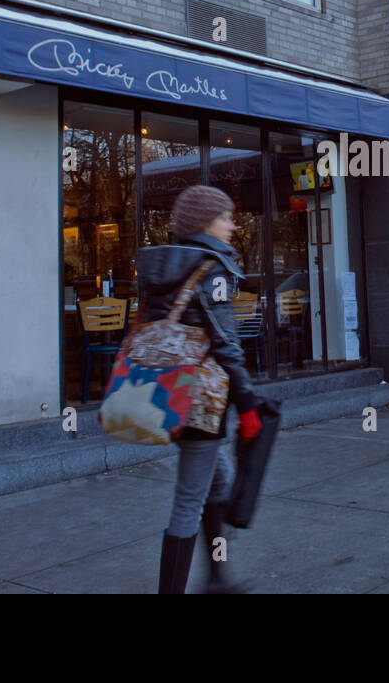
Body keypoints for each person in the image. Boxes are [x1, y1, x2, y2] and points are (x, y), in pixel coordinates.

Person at [135, 185, 262, 594]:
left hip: (166, 391)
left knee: (218, 480)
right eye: (226, 216)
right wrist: (247, 402)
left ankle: (219, 575)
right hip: (202, 398)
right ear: (207, 221)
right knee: (190, 498)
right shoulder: (213, 267)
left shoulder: (162, 266)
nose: (232, 224)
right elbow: (225, 343)